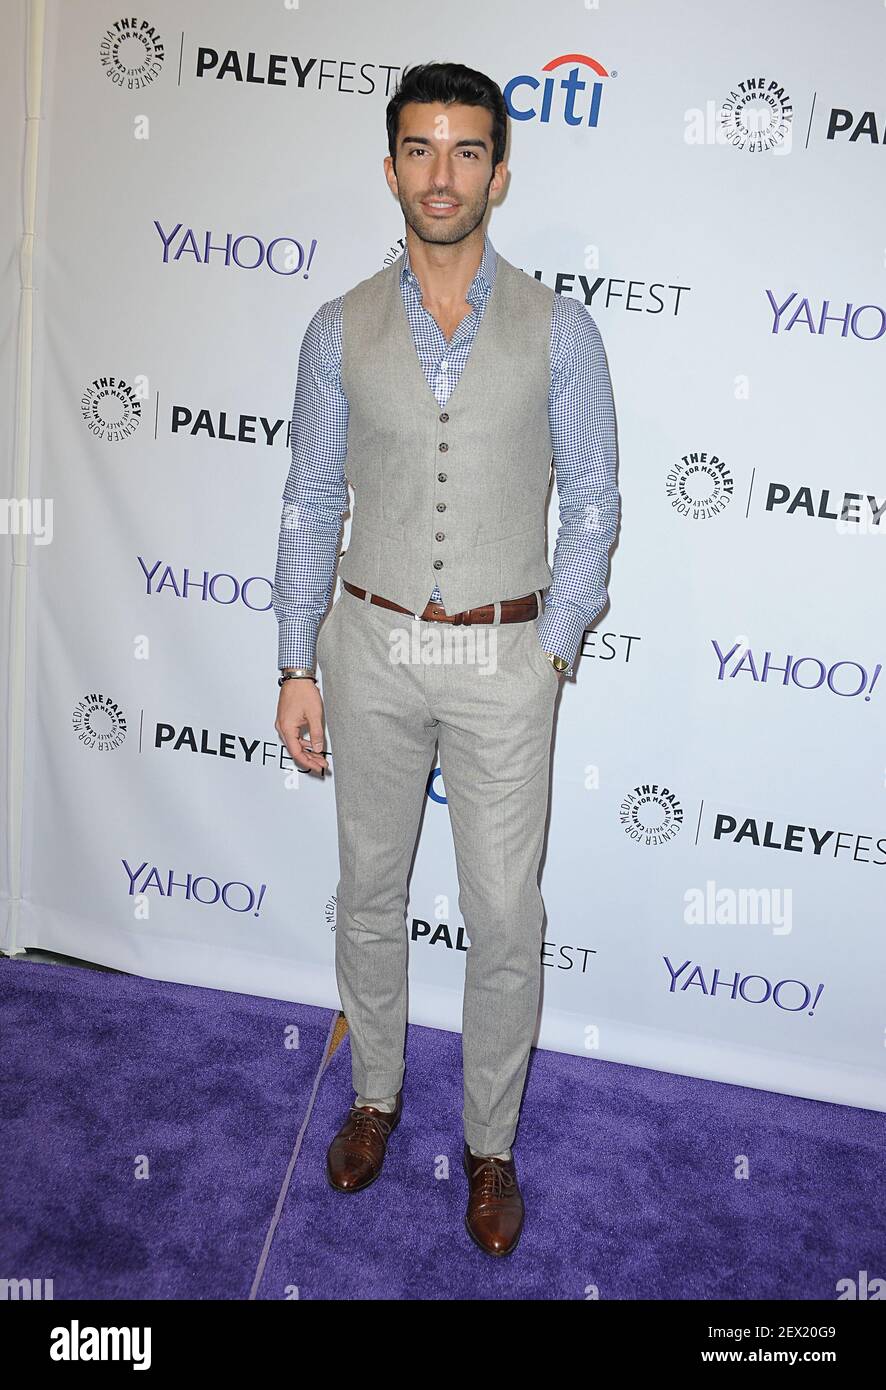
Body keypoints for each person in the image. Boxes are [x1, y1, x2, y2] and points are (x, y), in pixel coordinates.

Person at [272, 60, 619, 1257]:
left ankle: (489, 1146)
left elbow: (595, 502)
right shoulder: (336, 329)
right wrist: (293, 661)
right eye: (420, 148)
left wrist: (553, 649)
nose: (442, 173)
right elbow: (312, 498)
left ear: (499, 174)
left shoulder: (560, 329)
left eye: (466, 151)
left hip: (501, 661)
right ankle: (373, 1096)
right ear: (389, 168)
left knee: (504, 915)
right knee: (367, 894)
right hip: (363, 646)